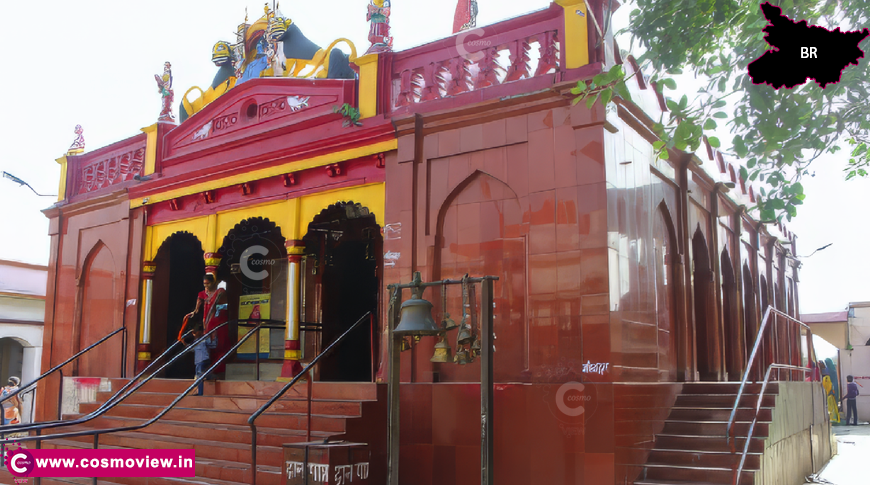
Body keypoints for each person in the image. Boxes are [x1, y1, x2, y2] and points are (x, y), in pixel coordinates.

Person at [188, 273, 229, 377]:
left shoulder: (220, 292)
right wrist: (194, 312)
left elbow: (224, 307)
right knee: (206, 347)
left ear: (213, 282)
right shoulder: (202, 294)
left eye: (208, 284)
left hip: (218, 321)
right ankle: (204, 374)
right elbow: (197, 308)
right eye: (204, 284)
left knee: (218, 345)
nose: (206, 287)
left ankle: (216, 371)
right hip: (207, 323)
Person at [190, 326, 216, 396]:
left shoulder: (205, 339)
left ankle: (200, 393)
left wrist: (214, 337)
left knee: (199, 376)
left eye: (195, 332)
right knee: (204, 374)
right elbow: (191, 349)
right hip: (199, 361)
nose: (194, 334)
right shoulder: (195, 341)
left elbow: (213, 345)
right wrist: (183, 342)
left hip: (203, 359)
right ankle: (212, 376)